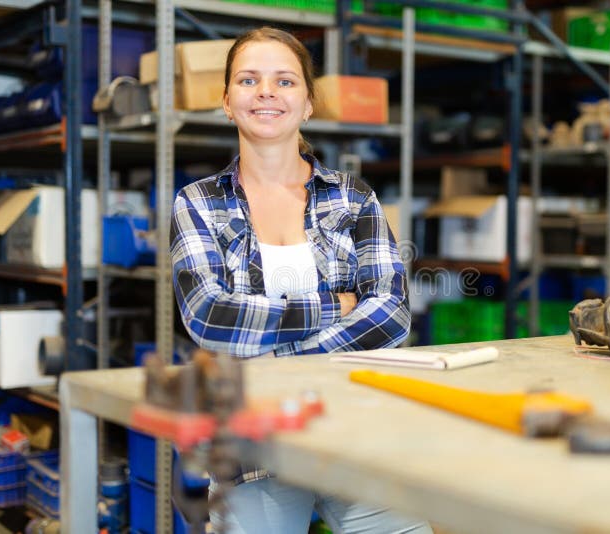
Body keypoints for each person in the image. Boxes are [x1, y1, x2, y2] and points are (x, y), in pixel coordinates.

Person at [170, 26, 430, 534]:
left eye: (285, 81)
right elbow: (210, 318)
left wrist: (279, 360)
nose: (266, 91)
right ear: (226, 101)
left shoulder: (353, 198)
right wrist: (338, 305)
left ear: (308, 104)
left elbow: (392, 313)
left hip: (353, 429)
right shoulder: (198, 202)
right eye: (249, 79)